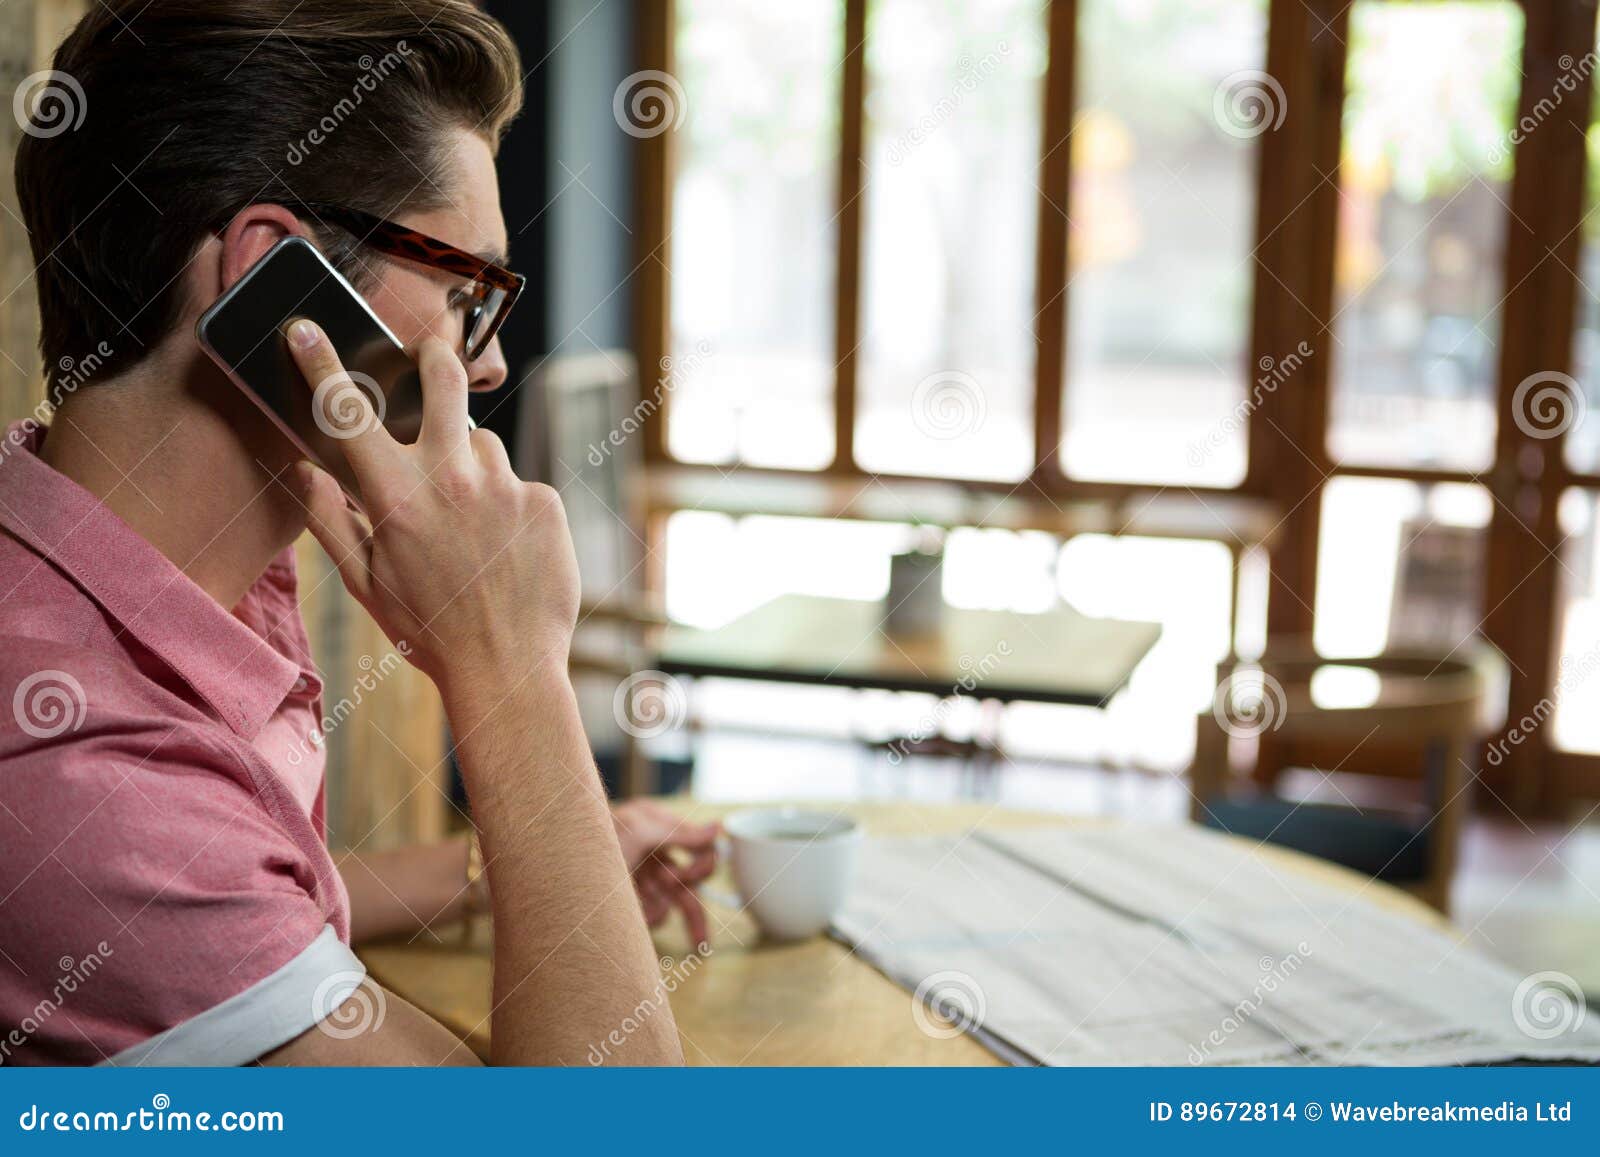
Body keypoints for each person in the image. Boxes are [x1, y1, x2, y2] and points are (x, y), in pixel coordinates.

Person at [0, 0, 714, 1066]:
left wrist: (535, 859)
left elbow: (239, 881)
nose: (487, 367)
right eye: (464, 290)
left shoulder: (115, 565)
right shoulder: (77, 767)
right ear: (271, 281)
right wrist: (515, 670)